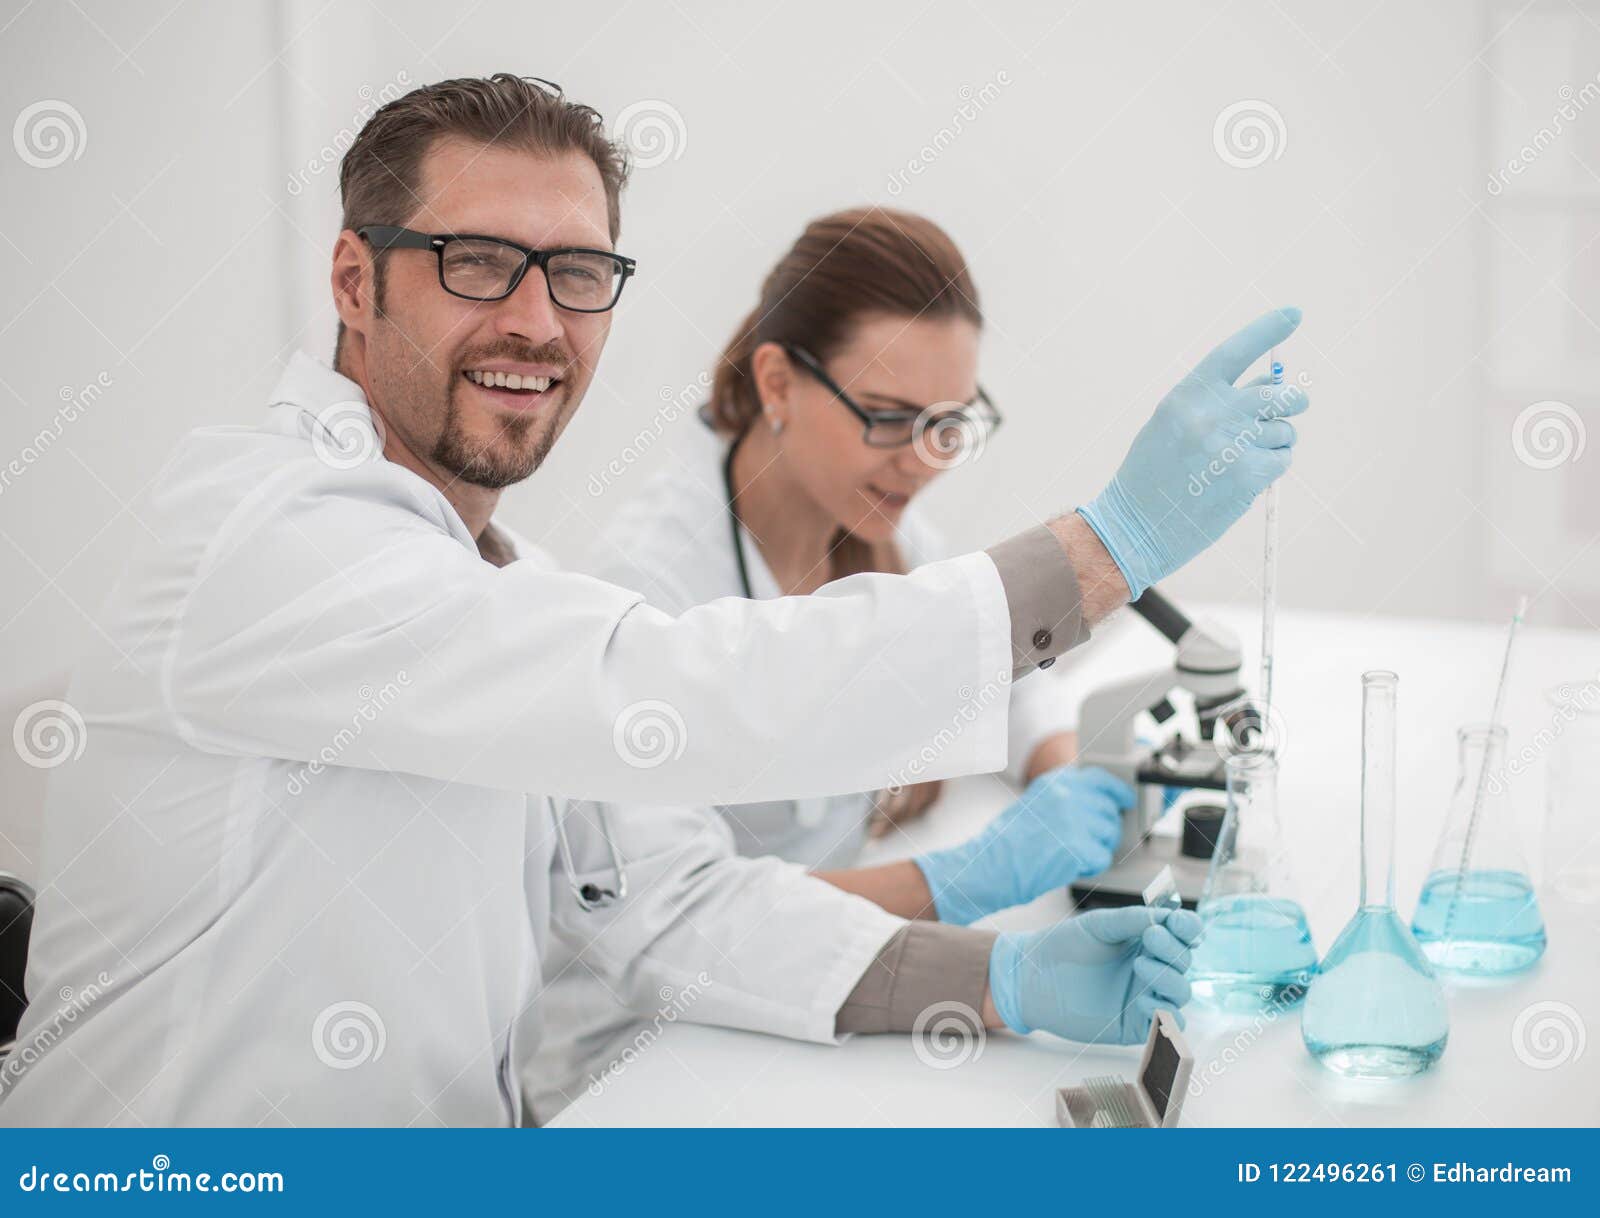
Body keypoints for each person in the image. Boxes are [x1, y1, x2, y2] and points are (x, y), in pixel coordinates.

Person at [0, 75, 1305, 1126]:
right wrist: (1109, 542)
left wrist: (1002, 979)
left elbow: (662, 899)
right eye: (474, 263)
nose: (537, 321)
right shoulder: (273, 540)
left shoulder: (491, 588)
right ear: (356, 280)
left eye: (577, 274)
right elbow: (682, 690)